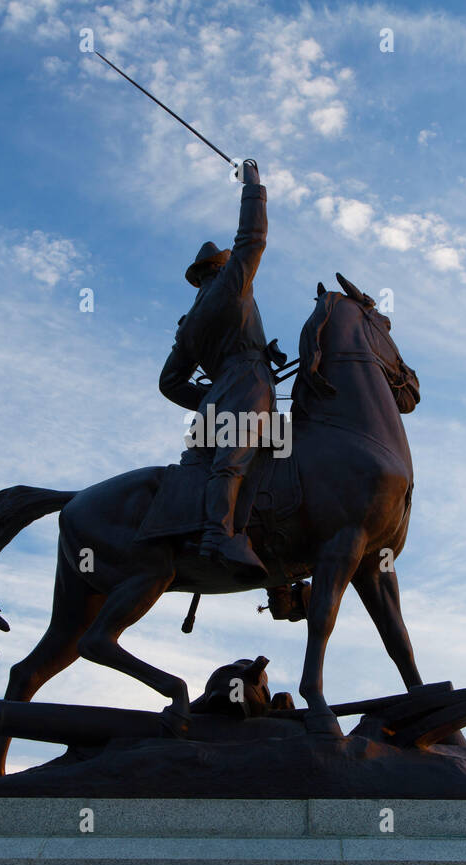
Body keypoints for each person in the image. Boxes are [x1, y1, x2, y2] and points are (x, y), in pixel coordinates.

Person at [159, 158, 280, 581]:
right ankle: (218, 534)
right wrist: (253, 187)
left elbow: (169, 383)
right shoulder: (233, 283)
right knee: (235, 457)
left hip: (218, 398)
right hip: (248, 385)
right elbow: (253, 237)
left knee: (251, 456)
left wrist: (209, 395)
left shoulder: (188, 323)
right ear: (221, 267)